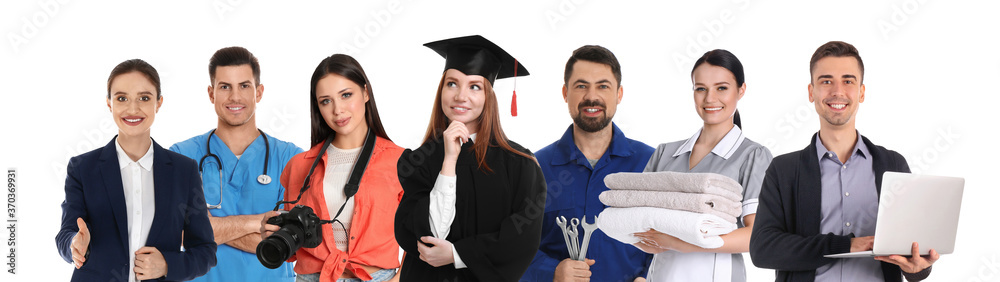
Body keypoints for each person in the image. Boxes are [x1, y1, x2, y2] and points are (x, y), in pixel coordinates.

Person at [749, 41, 939, 282]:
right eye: (826, 81)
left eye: (848, 81)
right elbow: (763, 249)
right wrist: (846, 245)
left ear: (861, 92)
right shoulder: (784, 170)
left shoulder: (893, 165)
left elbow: (912, 247)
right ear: (811, 92)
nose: (837, 91)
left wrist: (918, 269)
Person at [394, 35, 547, 282]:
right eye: (452, 84)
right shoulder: (418, 162)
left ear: (488, 96)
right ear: (441, 90)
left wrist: (456, 254)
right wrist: (449, 162)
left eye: (474, 86)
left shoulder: (520, 164)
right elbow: (426, 235)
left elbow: (521, 241)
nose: (461, 96)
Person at [56, 58, 217, 281]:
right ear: (109, 103)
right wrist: (74, 244)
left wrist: (167, 265)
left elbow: (205, 251)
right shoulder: (83, 168)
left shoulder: (184, 171)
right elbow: (65, 234)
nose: (133, 108)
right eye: (122, 98)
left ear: (158, 103)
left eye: (144, 98)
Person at [630, 49, 773, 282]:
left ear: (741, 90)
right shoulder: (666, 153)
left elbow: (757, 235)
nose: (710, 99)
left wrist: (684, 244)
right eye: (701, 89)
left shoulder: (752, 156)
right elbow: (639, 219)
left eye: (722, 88)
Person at [260, 54, 404, 282]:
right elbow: (297, 246)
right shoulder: (298, 166)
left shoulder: (400, 161)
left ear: (366, 93)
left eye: (346, 95)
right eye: (326, 101)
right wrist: (277, 234)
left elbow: (421, 236)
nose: (337, 110)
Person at [521, 45, 654, 282]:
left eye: (603, 86)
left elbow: (671, 237)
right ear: (565, 93)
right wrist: (552, 270)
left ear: (619, 94)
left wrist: (648, 277)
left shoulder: (650, 163)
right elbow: (513, 247)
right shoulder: (534, 167)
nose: (592, 97)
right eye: (581, 86)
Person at [169, 46, 303, 282]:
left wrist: (203, 227)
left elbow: (290, 244)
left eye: (244, 85)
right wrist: (256, 222)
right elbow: (177, 233)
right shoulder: (181, 155)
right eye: (224, 87)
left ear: (258, 92)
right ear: (211, 94)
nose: (235, 97)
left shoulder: (289, 158)